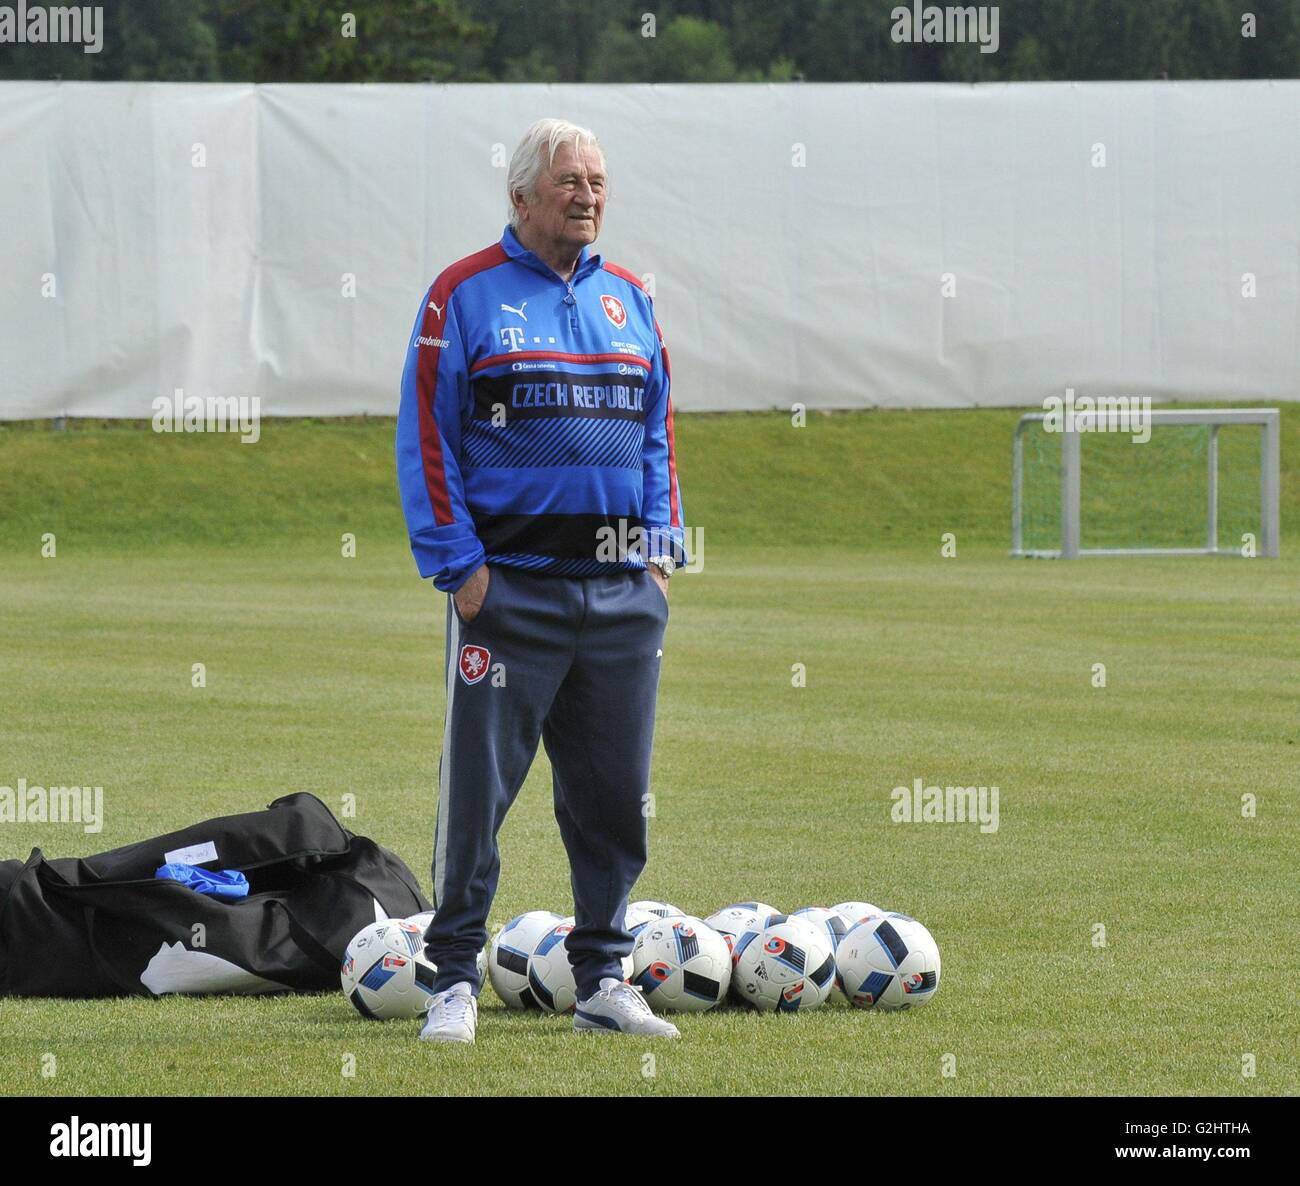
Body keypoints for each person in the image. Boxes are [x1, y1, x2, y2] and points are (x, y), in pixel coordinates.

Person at [395, 118, 687, 1043]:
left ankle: (602, 977)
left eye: (597, 181)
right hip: (506, 594)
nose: (587, 195)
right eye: (568, 181)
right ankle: (451, 980)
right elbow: (426, 434)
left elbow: (654, 431)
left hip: (618, 600)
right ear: (521, 197)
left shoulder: (633, 297)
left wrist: (659, 553)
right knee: (479, 794)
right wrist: (459, 566)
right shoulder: (462, 295)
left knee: (613, 796)